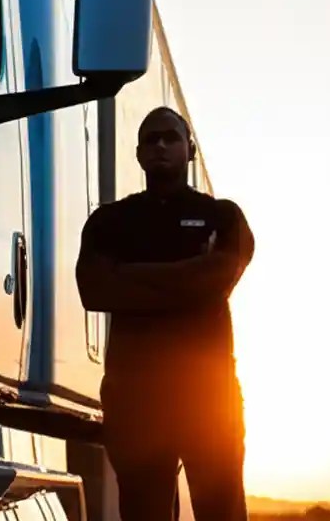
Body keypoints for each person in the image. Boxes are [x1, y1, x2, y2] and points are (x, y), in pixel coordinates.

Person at [76, 106, 255, 521]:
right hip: (136, 400)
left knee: (222, 511)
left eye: (170, 138)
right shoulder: (109, 221)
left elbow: (221, 276)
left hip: (209, 398)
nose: (160, 145)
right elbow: (94, 288)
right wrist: (192, 278)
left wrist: (130, 280)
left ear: (189, 149)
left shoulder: (223, 216)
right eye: (150, 139)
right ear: (138, 154)